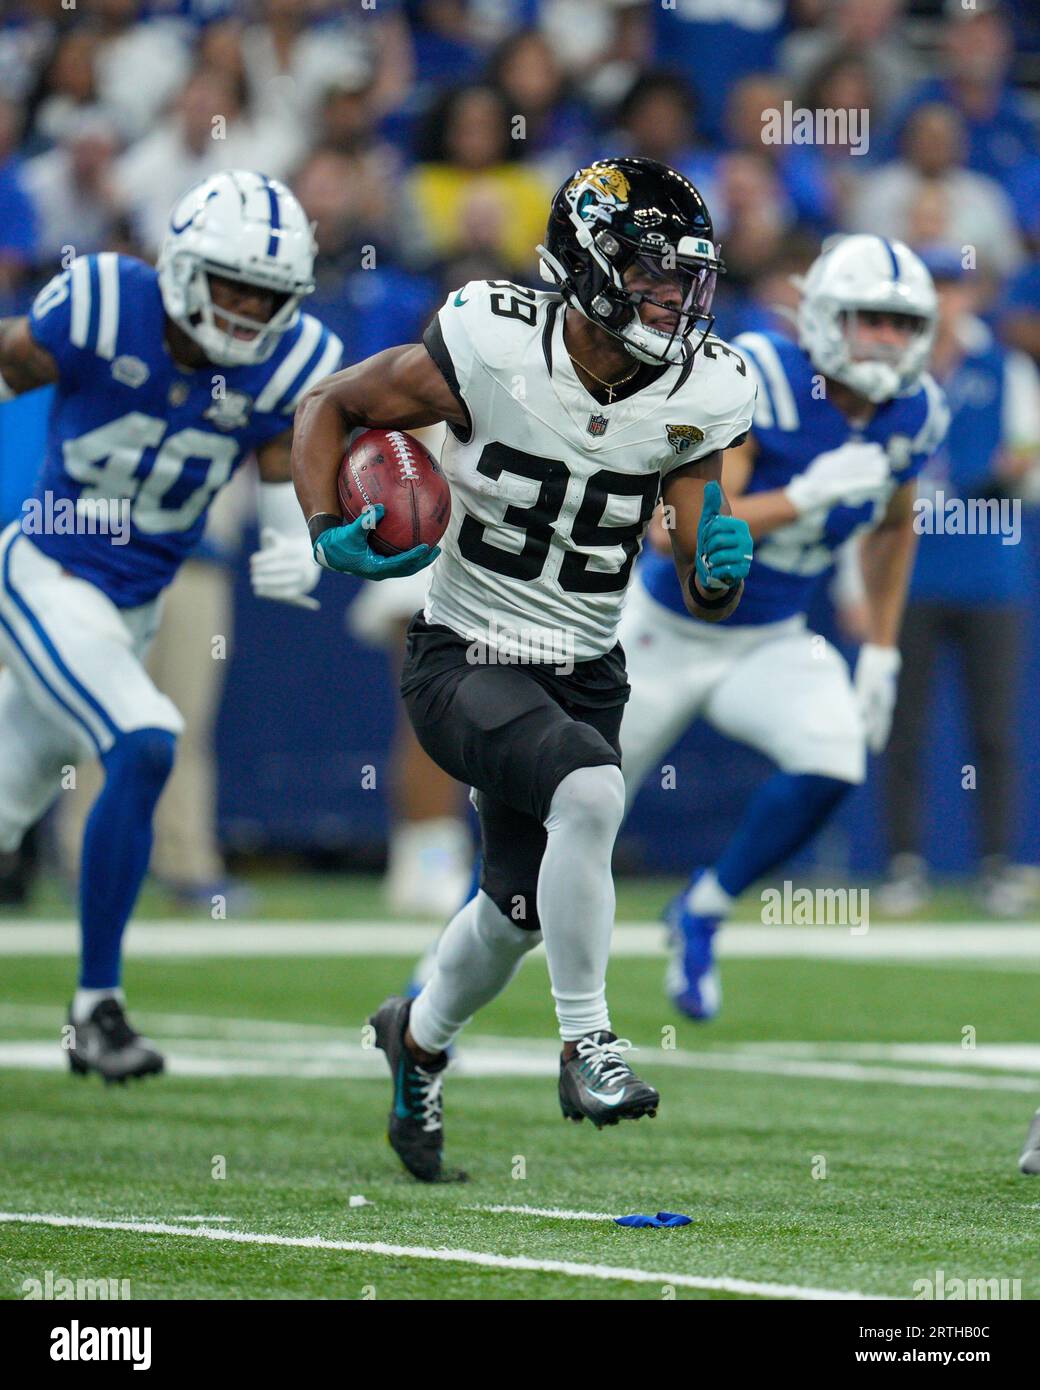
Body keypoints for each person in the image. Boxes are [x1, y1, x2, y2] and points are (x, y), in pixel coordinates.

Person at [292, 158, 756, 1180]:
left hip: (586, 666)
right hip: (464, 651)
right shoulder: (489, 338)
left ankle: (413, 1039)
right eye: (651, 274)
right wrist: (328, 530)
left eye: (686, 279)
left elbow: (695, 541)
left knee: (512, 917)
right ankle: (585, 1042)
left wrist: (714, 566)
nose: (674, 299)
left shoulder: (705, 386)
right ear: (588, 266)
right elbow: (327, 405)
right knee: (589, 786)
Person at [0, 169, 341, 1081]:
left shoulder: (292, 361)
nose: (243, 308)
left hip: (135, 605)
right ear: (184, 265)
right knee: (147, 737)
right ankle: (97, 1009)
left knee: (3, 809)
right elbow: (11, 362)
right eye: (229, 283)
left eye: (264, 295)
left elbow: (280, 458)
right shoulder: (106, 301)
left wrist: (295, 538)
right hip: (47, 570)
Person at [619, 235, 948, 1019]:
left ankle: (703, 907)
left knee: (833, 759)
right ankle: (433, 991)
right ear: (830, 318)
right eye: (873, 321)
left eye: (904, 326)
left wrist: (880, 649)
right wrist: (804, 497)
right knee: (564, 814)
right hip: (663, 630)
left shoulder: (916, 411)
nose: (889, 341)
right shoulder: (759, 375)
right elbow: (679, 531)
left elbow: (895, 527)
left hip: (769, 637)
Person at [878, 250, 1040, 917]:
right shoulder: (893, 368)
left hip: (987, 573)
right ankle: (903, 865)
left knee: (994, 727)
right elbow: (868, 474)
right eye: (934, 286)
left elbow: (1029, 466)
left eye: (954, 285)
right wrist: (856, 592)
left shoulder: (1006, 366)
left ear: (971, 292)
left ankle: (997, 864)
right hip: (909, 573)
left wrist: (997, 476)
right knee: (903, 725)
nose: (945, 298)